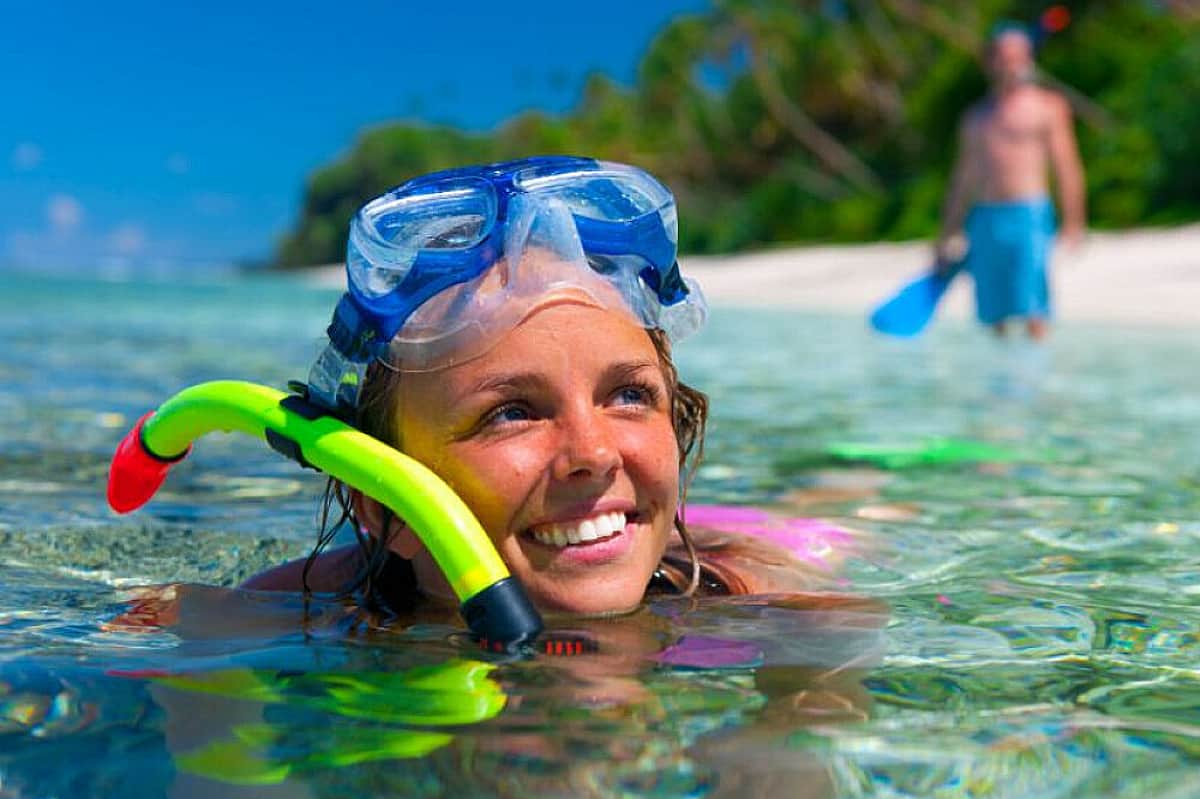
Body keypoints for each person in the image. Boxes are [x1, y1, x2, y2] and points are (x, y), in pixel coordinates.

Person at [242, 156, 852, 618]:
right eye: (511, 412)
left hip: (770, 535)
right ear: (382, 508)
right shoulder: (265, 623)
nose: (593, 454)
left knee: (843, 508)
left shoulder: (765, 605)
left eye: (630, 395)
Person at [935, 22, 1086, 340]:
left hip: (1029, 215)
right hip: (985, 219)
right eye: (1005, 57)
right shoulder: (977, 117)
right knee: (993, 313)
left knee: (1033, 309)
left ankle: (1037, 382)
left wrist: (1074, 221)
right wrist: (946, 234)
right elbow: (962, 180)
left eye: (1020, 56)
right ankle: (999, 385)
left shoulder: (1047, 106)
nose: (1013, 64)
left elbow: (1066, 167)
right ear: (990, 62)